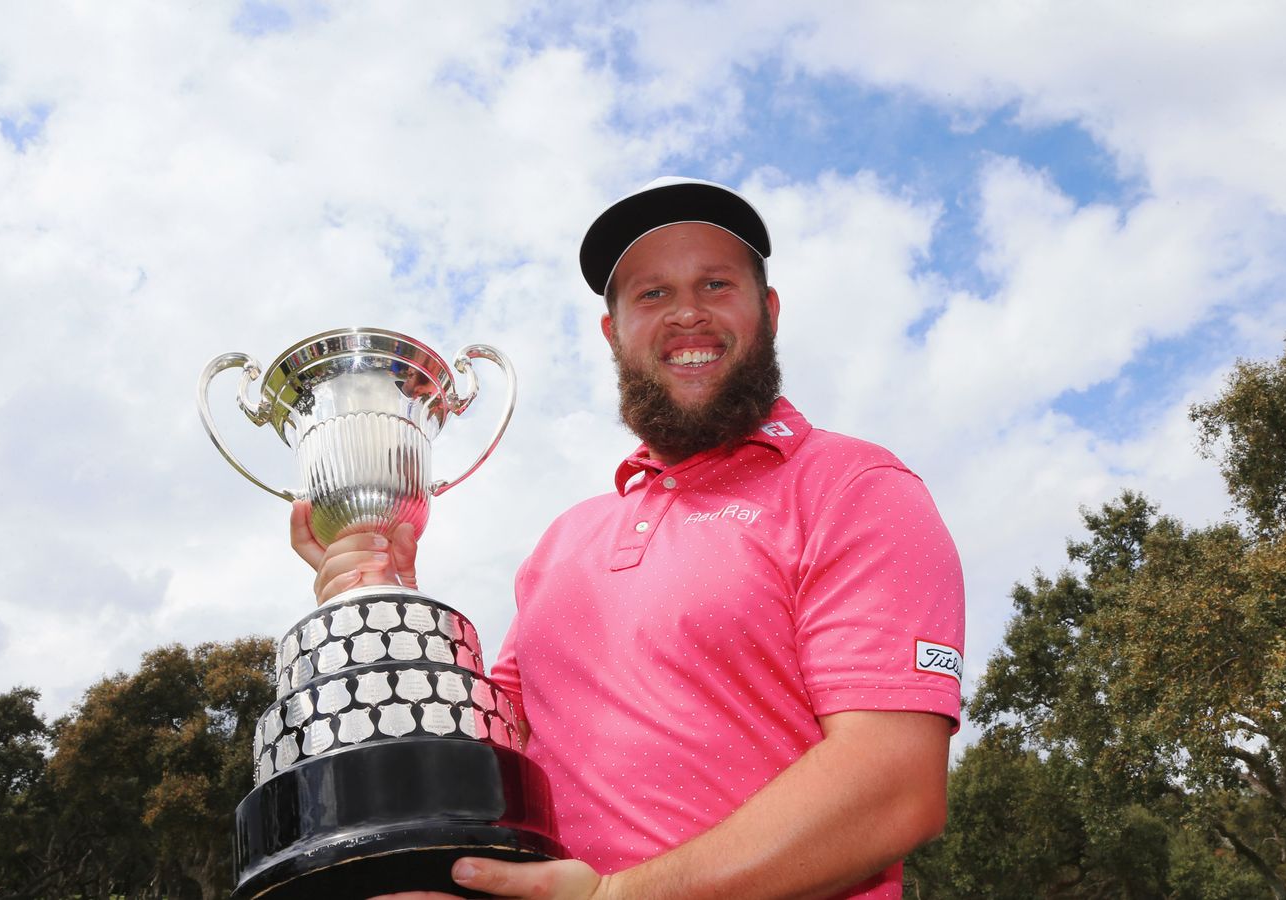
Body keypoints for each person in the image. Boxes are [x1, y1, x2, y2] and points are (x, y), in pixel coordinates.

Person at [291, 177, 965, 900]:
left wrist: (620, 896)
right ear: (614, 333)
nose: (686, 314)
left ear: (767, 311)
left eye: (715, 283)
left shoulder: (853, 486)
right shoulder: (565, 540)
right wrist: (387, 608)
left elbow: (893, 783)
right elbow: (490, 755)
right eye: (651, 294)